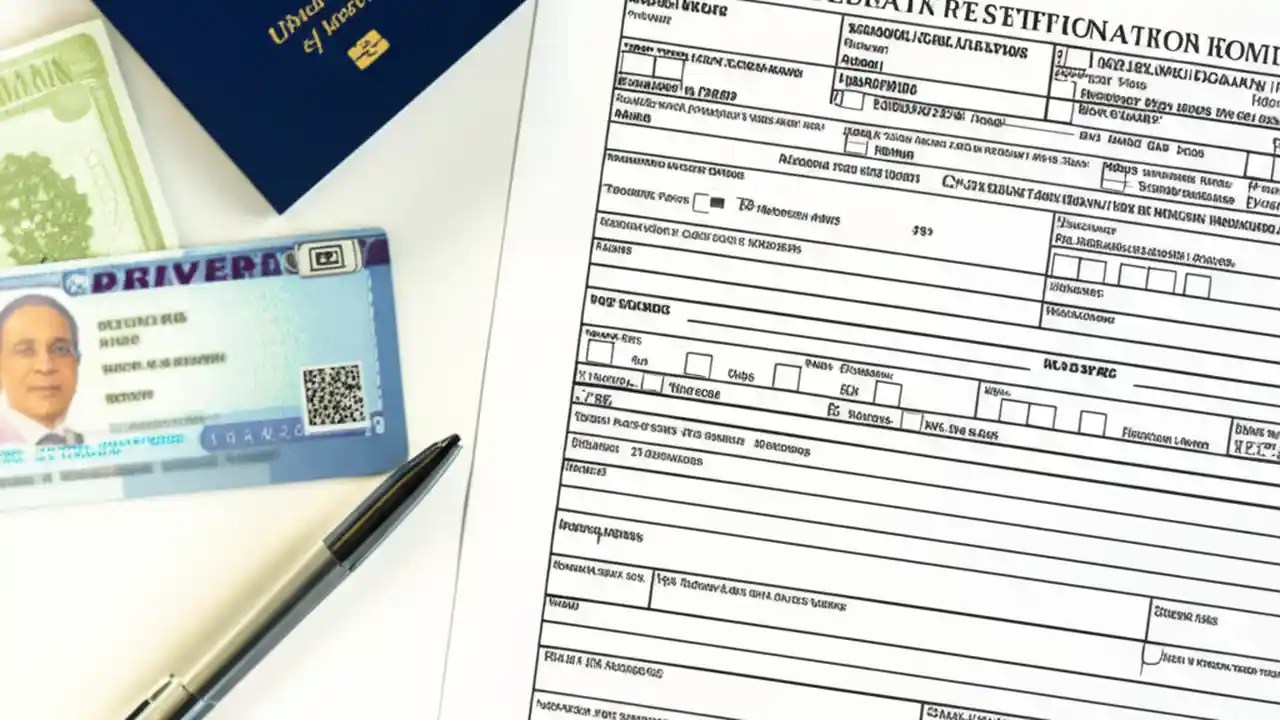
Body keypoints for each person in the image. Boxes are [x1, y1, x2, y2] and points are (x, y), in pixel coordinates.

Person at [0, 294, 83, 446]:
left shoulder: (99, 446)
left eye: (60, 350)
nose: (45, 367)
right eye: (26, 351)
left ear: (77, 362)